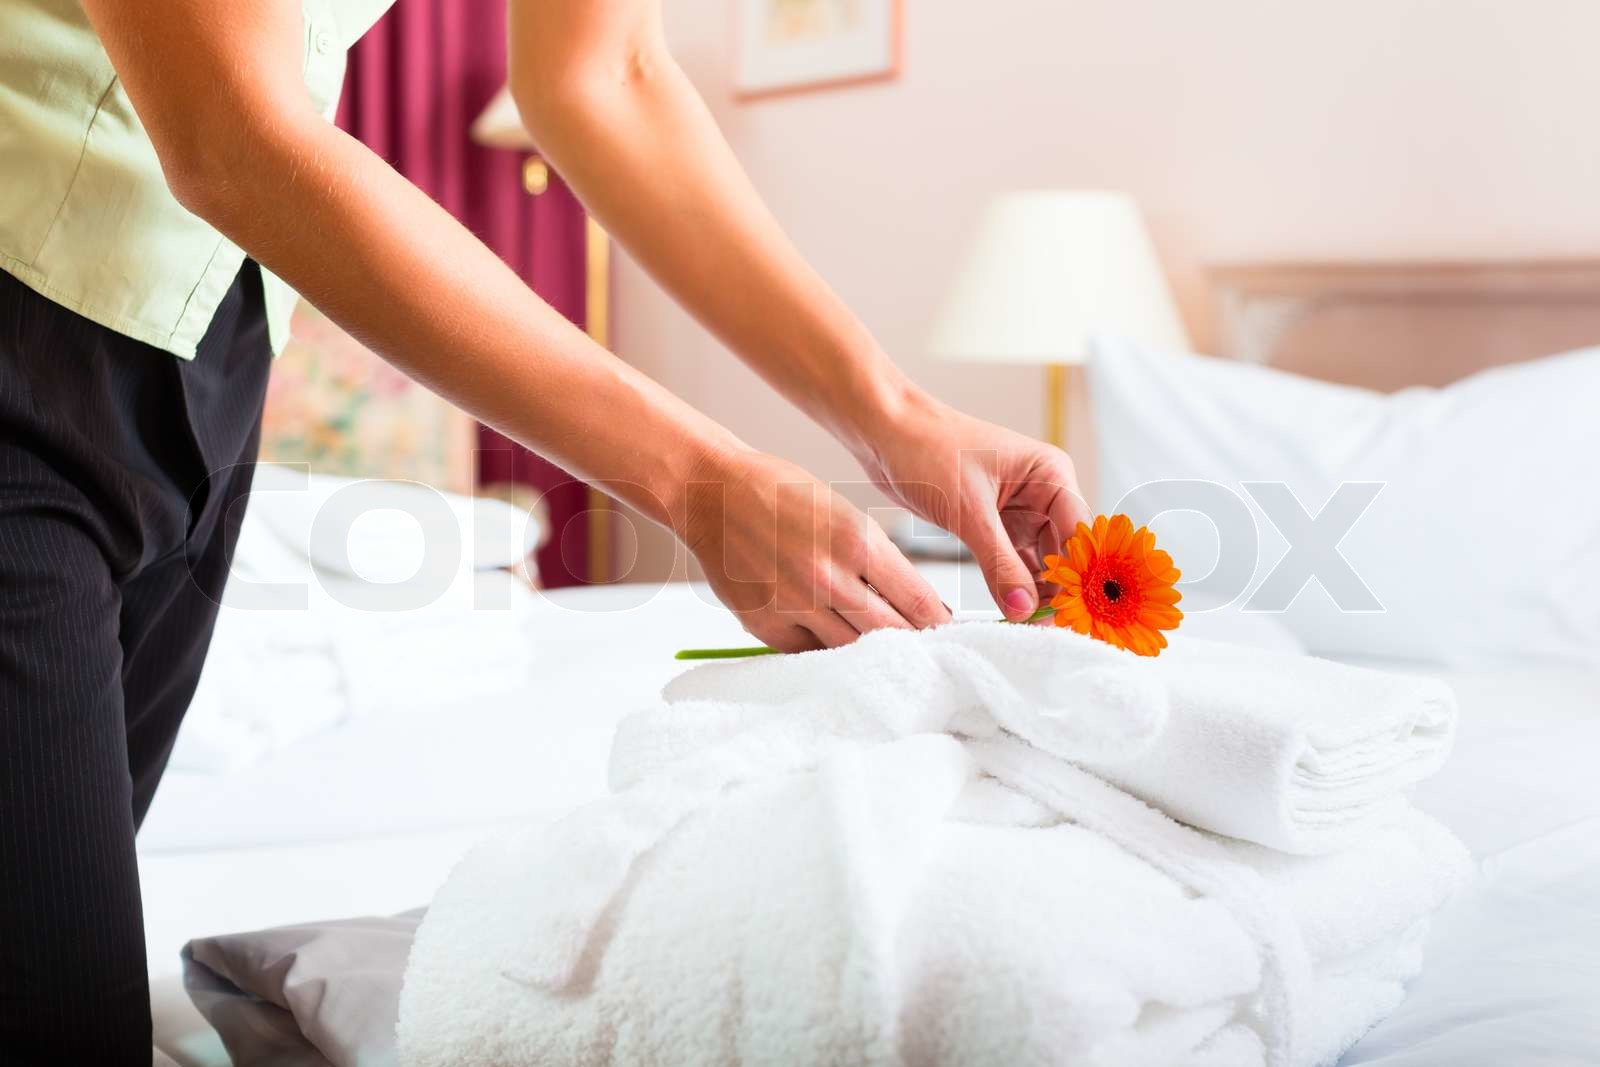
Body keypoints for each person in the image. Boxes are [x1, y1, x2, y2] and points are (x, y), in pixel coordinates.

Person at [0, 0, 1087, 1060]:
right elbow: (234, 132)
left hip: (206, 348)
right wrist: (700, 478)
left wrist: (895, 417)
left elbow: (606, 75)